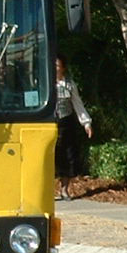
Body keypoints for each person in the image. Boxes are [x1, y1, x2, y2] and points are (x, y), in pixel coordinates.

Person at [54, 54, 92, 201]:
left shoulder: (70, 84)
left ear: (63, 68)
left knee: (67, 157)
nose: (55, 68)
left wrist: (86, 123)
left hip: (66, 123)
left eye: (58, 65)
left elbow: (78, 104)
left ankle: (64, 190)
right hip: (49, 123)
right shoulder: (44, 83)